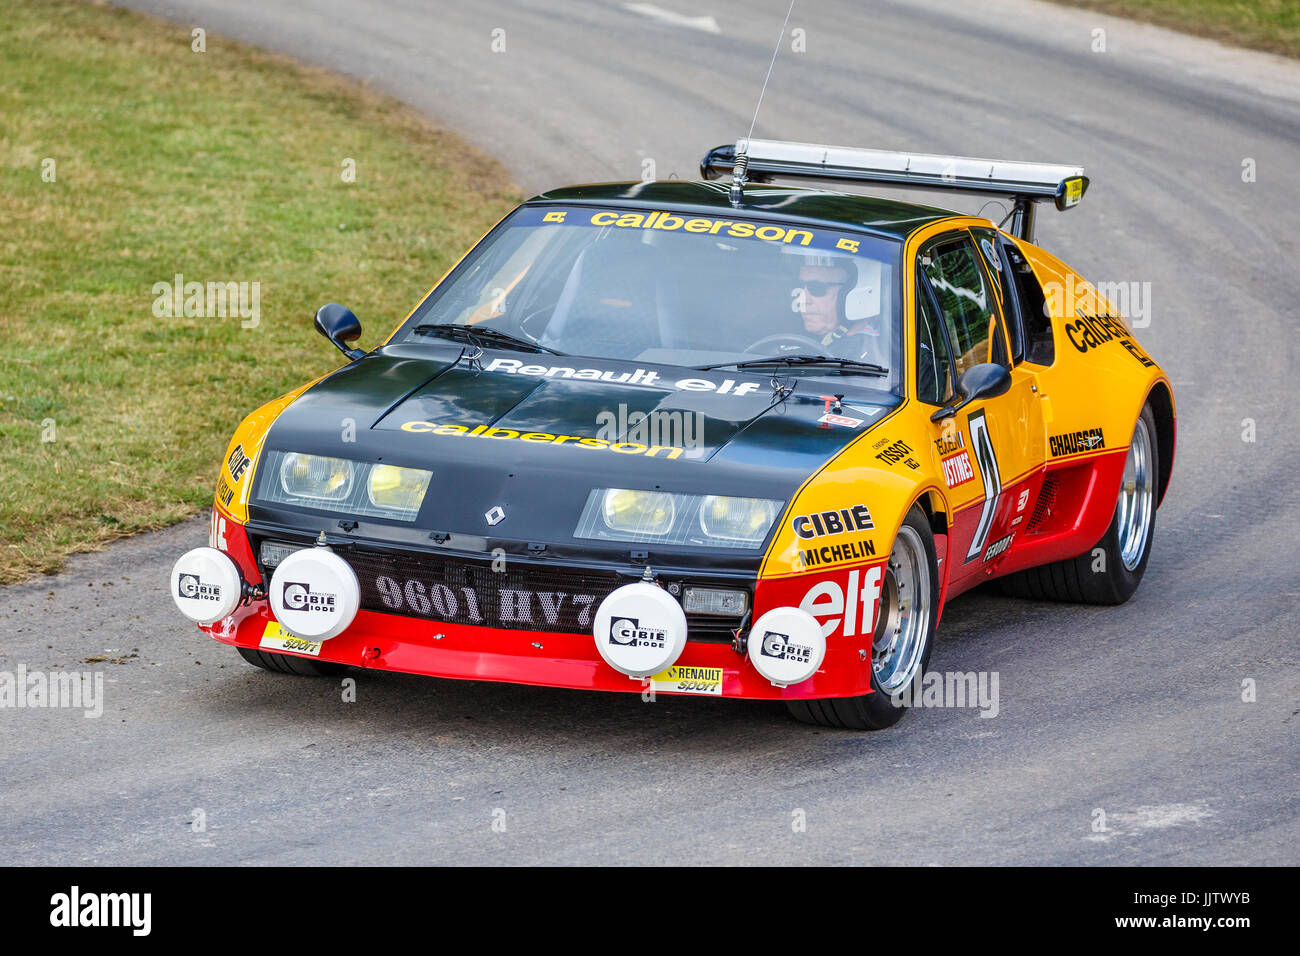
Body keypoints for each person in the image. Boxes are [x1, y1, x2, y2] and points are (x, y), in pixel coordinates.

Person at [794, 255, 888, 366]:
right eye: (800, 287)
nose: (801, 300)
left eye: (816, 288)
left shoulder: (877, 354)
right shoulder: (800, 335)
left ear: (851, 293)